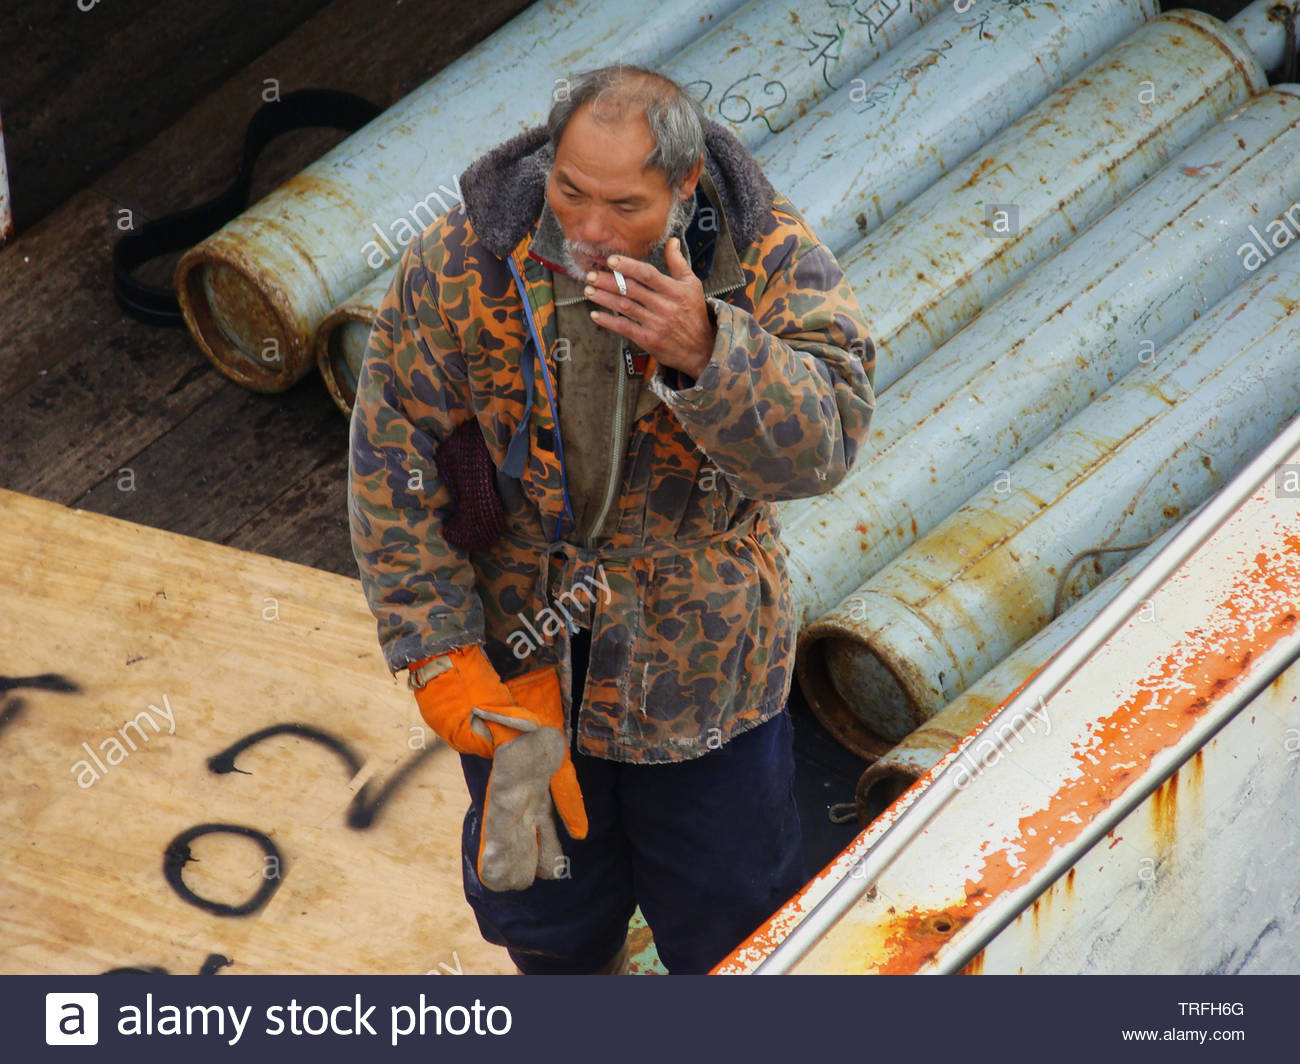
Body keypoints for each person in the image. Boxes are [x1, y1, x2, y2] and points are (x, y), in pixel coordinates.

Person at [348, 64, 876, 975]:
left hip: (704, 675)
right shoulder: (466, 258)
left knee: (738, 932)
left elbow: (823, 447)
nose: (588, 230)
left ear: (683, 187)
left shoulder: (765, 258)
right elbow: (390, 459)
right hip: (525, 661)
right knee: (547, 920)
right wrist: (437, 650)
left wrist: (710, 352)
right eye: (570, 191)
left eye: (624, 204)